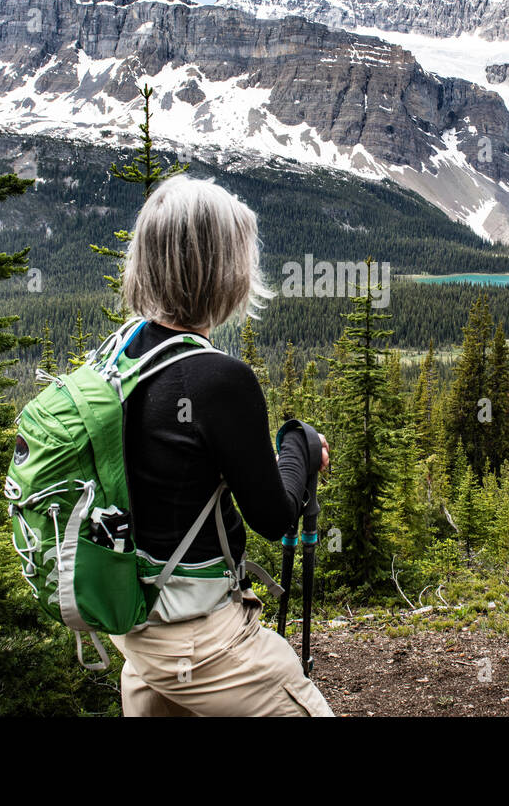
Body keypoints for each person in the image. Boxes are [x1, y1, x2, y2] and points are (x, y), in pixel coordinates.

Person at [109, 174, 335, 717]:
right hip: (202, 640)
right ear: (221, 270)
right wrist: (300, 447)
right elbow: (274, 517)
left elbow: (170, 470)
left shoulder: (121, 354)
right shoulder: (217, 378)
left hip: (135, 629)